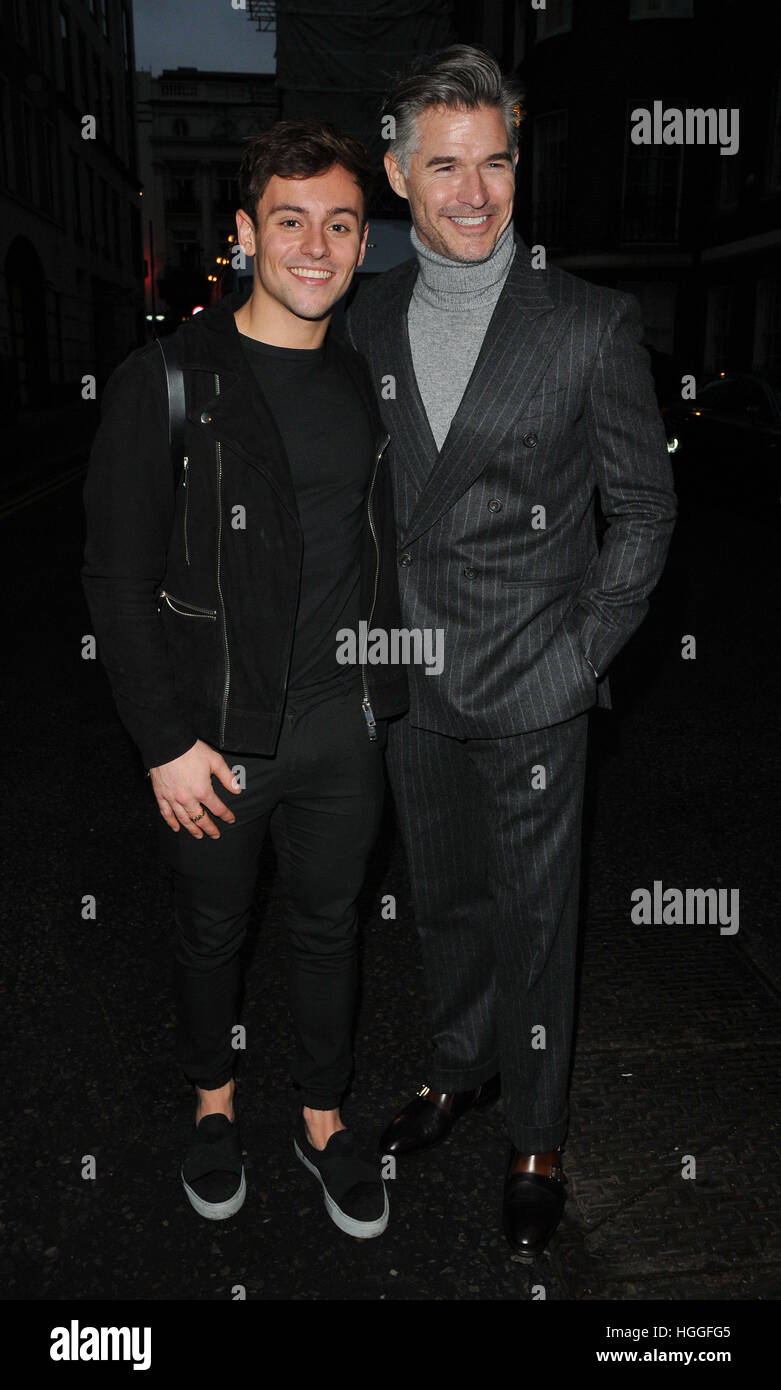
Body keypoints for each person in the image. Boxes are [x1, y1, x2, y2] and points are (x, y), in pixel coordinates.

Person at [346, 46, 677, 1260]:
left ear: (515, 165)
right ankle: (460, 1067)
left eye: (494, 161)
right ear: (397, 174)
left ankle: (535, 1131)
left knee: (538, 915)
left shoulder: (589, 321)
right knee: (446, 903)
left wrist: (579, 652)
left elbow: (644, 510)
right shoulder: (363, 320)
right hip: (410, 686)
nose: (474, 192)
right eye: (444, 165)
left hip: (533, 683)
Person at [82, 121, 407, 1238]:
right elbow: (116, 581)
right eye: (289, 220)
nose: (315, 246)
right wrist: (164, 741)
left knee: (331, 930)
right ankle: (214, 1106)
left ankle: (324, 1121)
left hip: (339, 729)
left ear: (363, 241)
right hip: (215, 739)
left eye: (339, 224)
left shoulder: (366, 381)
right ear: (243, 233)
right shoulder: (166, 379)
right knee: (212, 934)